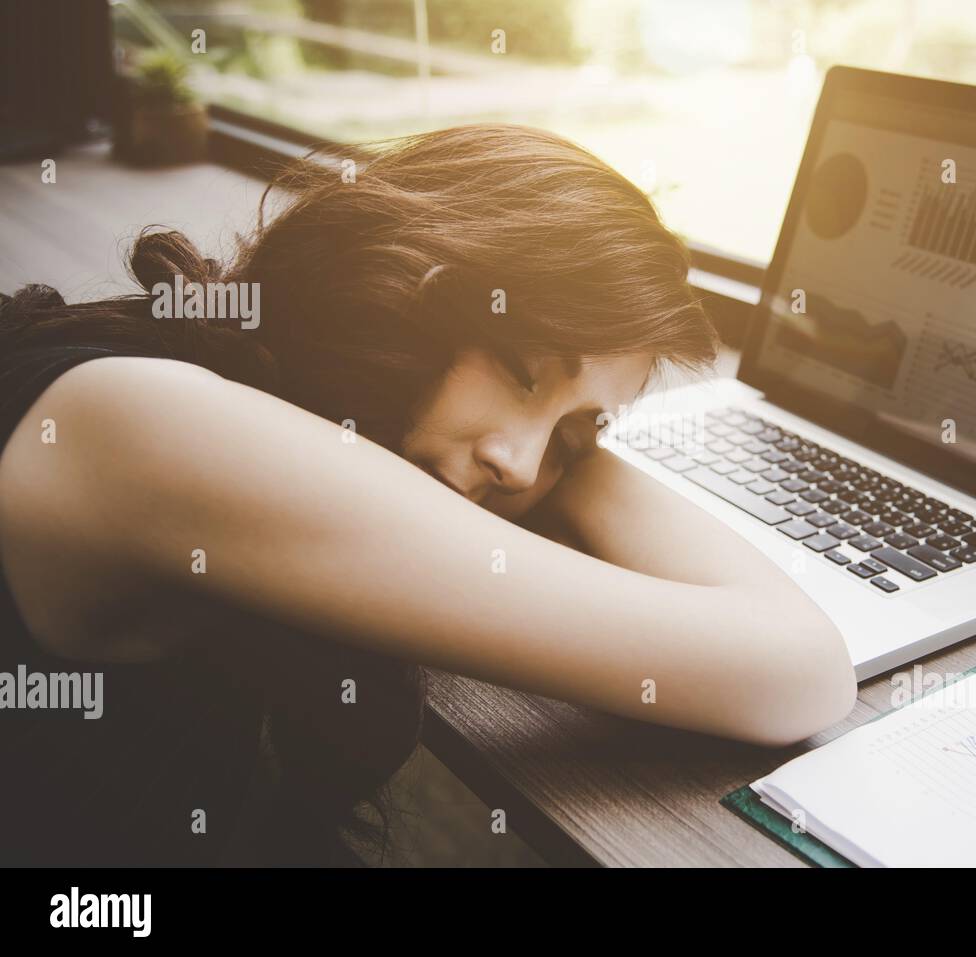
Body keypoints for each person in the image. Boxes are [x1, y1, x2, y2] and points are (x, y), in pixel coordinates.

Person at [0, 124, 856, 866]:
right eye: (522, 372)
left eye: (574, 437)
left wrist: (559, 437)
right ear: (399, 289)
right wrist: (565, 449)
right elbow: (798, 671)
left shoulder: (206, 368)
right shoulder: (160, 425)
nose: (523, 468)